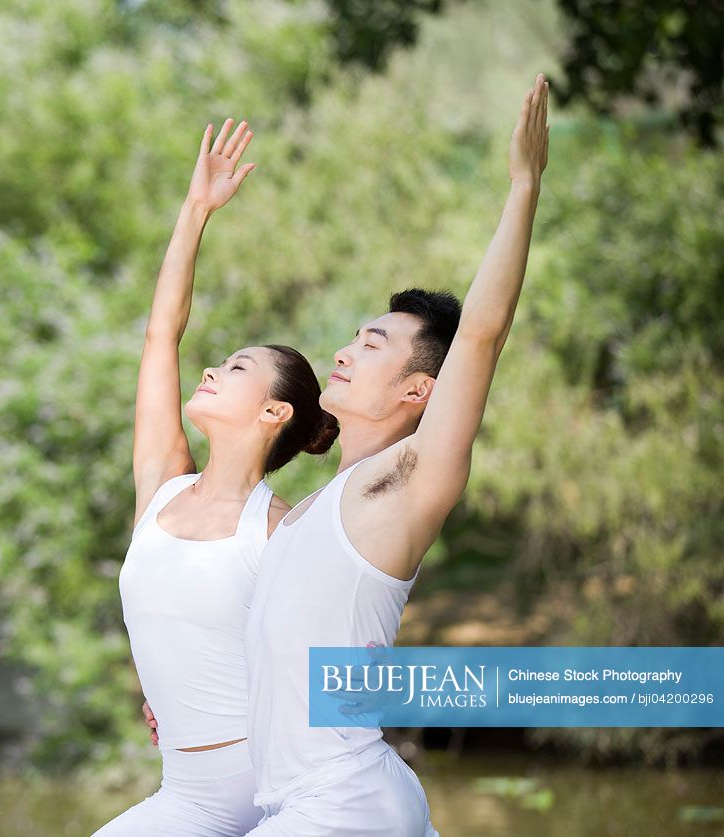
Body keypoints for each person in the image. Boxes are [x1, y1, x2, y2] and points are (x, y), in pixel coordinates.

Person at [240, 72, 552, 836]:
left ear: (419, 391)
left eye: (373, 344)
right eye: (354, 335)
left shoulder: (405, 483)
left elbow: (479, 335)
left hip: (344, 805)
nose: (345, 351)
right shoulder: (306, 508)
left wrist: (522, 184)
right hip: (310, 804)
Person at [92, 117, 339, 837]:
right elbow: (160, 335)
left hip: (278, 786)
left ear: (272, 410)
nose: (209, 368)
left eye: (234, 367)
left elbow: (322, 662)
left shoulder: (281, 527)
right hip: (191, 791)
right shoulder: (161, 483)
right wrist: (194, 211)